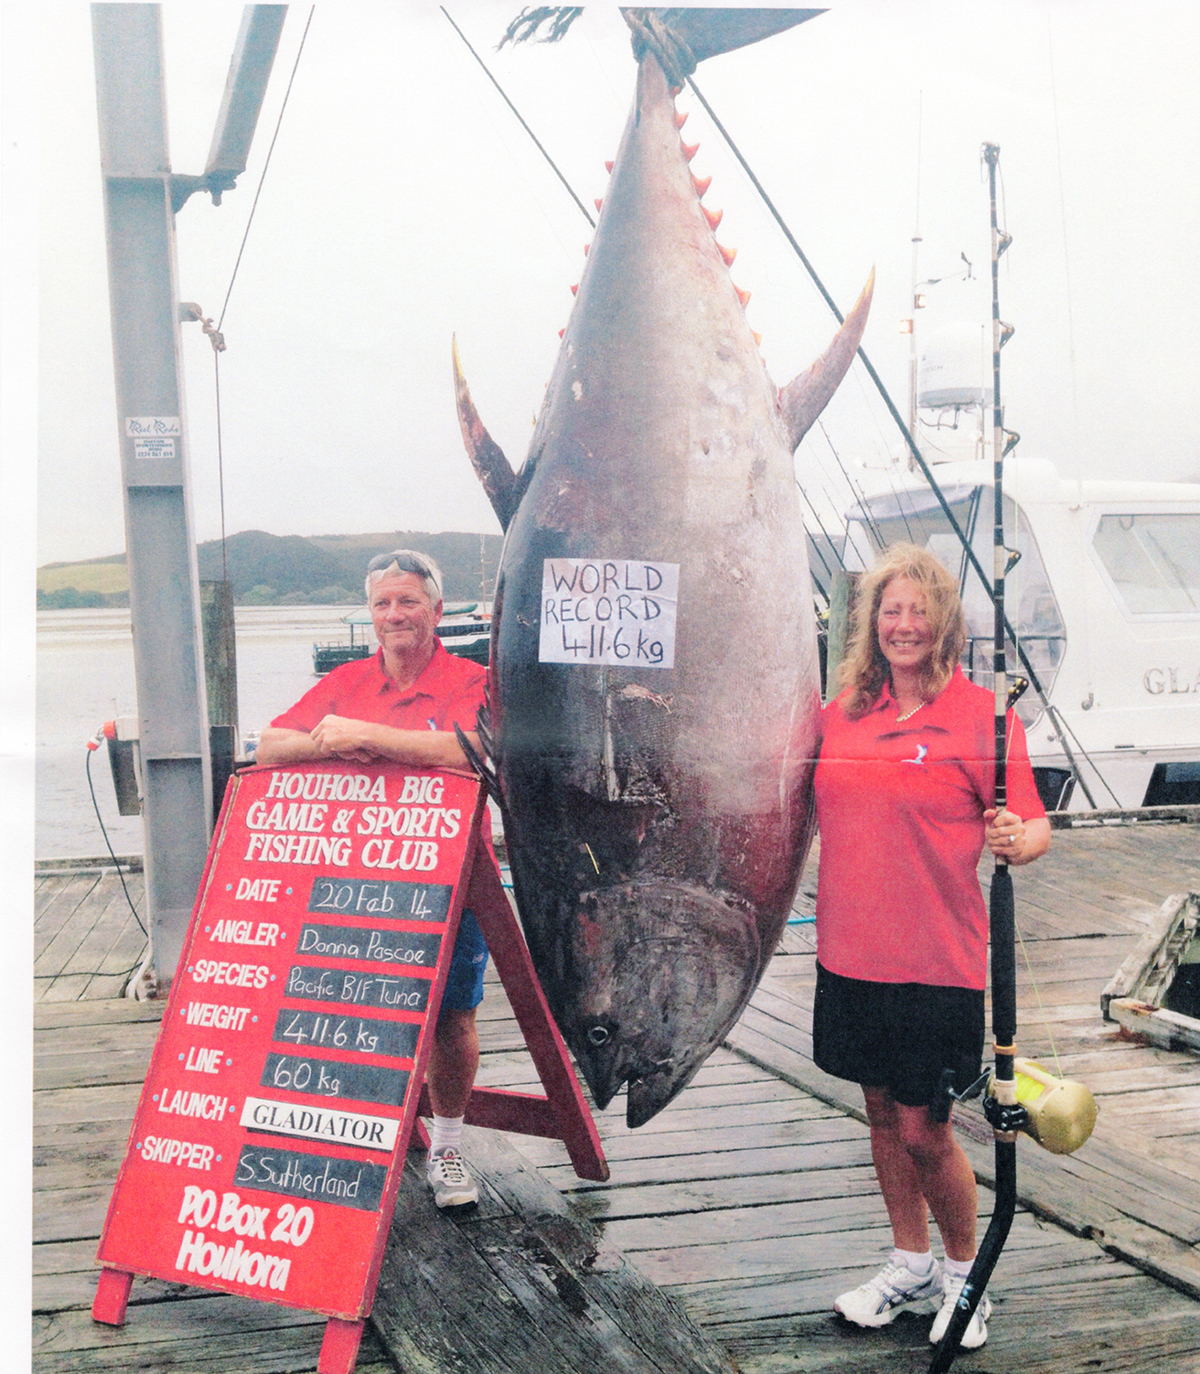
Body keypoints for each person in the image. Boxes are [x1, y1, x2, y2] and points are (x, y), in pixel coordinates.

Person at [813, 542, 1050, 1350]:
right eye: (890, 610)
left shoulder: (985, 717)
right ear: (870, 623)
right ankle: (909, 1264)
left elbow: (1035, 824)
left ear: (943, 622)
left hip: (935, 962)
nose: (904, 625)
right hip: (848, 955)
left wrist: (1021, 837)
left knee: (925, 1128)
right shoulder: (837, 714)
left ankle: (964, 1277)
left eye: (919, 610)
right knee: (879, 1114)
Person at [257, 549, 491, 1210]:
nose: (396, 615)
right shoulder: (348, 679)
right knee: (345, 1008)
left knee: (452, 1013)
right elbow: (270, 745)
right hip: (355, 877)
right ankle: (346, 1145)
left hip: (453, 877)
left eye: (409, 601)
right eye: (384, 604)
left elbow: (476, 749)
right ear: (371, 615)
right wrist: (324, 742)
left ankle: (445, 1145)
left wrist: (373, 737)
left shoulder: (473, 677)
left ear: (437, 611)